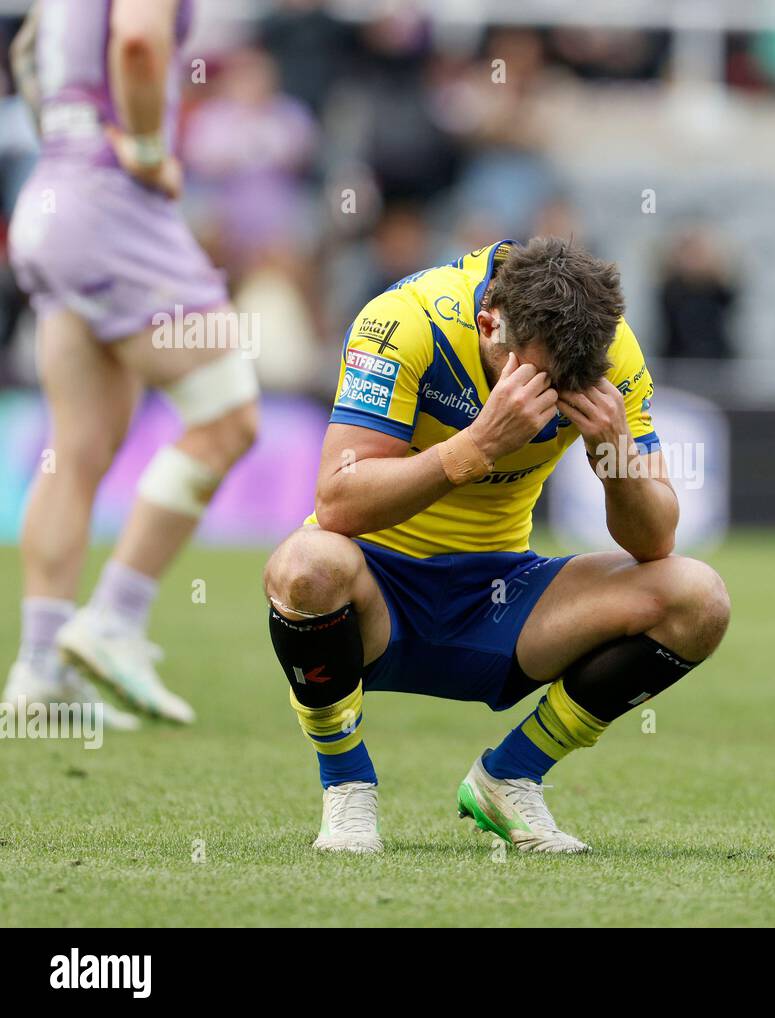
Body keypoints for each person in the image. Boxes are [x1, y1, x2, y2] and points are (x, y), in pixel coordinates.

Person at [262, 237, 730, 854]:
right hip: (377, 592)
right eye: (540, 376)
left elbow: (655, 540)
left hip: (502, 599)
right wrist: (475, 447)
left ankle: (509, 776)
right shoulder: (405, 322)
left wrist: (614, 457)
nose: (556, 392)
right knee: (304, 563)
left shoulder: (608, 346)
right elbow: (339, 503)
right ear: (490, 325)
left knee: (698, 596)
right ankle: (347, 788)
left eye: (573, 383)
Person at [3, 0, 259, 727]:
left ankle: (40, 670)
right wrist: (147, 150)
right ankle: (115, 617)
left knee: (74, 450)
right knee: (229, 419)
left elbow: (25, 54)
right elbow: (141, 40)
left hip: (50, 195)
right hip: (112, 200)